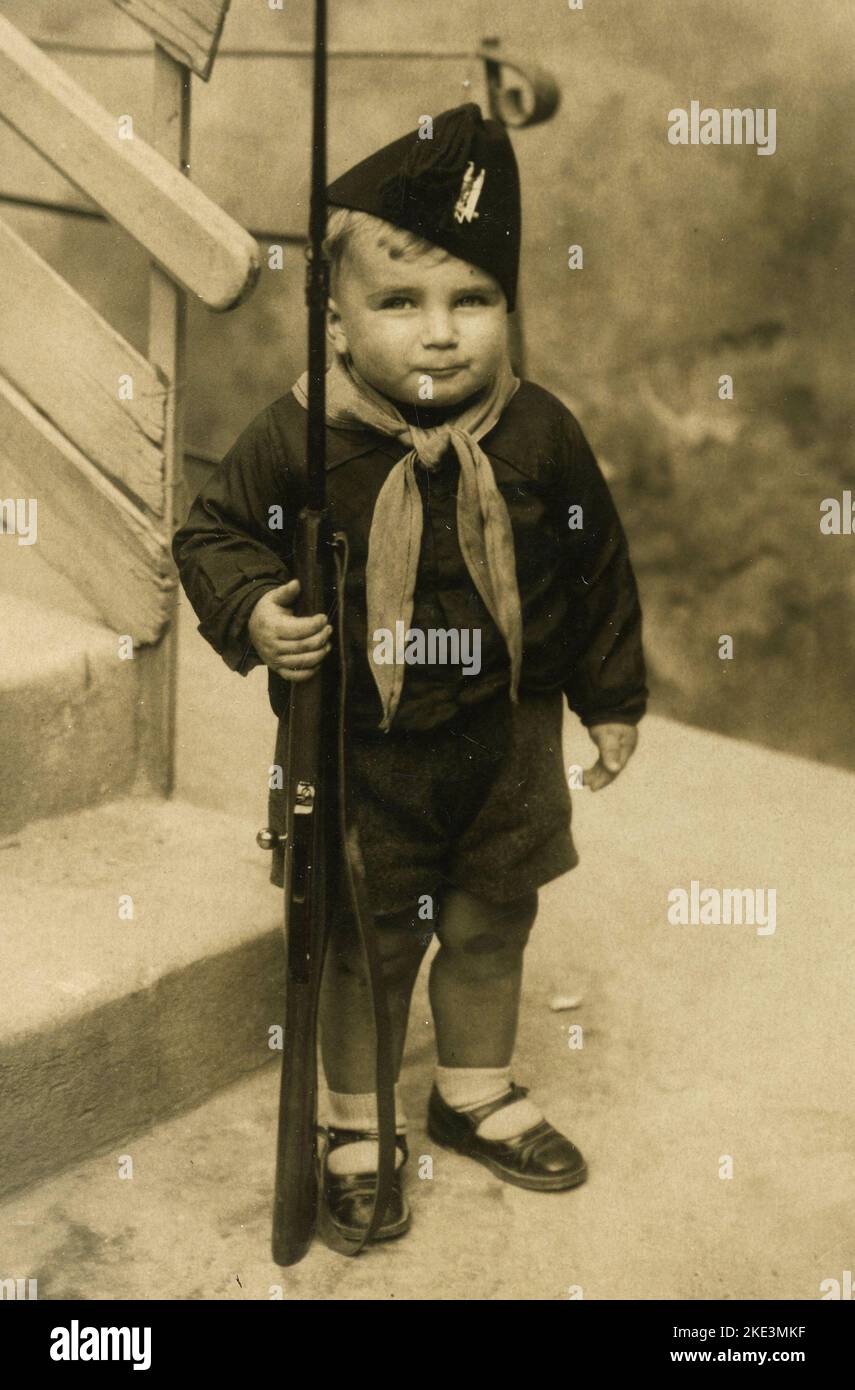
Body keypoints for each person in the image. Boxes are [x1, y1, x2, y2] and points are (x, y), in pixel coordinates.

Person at [171, 102, 648, 1248]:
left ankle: (472, 1088)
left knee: (492, 919)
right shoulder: (302, 437)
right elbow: (213, 535)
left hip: (506, 744)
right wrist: (258, 609)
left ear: (509, 308)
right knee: (368, 939)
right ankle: (352, 1123)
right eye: (400, 303)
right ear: (334, 326)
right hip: (359, 748)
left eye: (472, 300)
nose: (441, 334)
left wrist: (613, 697)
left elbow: (594, 566)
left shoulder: (540, 434)